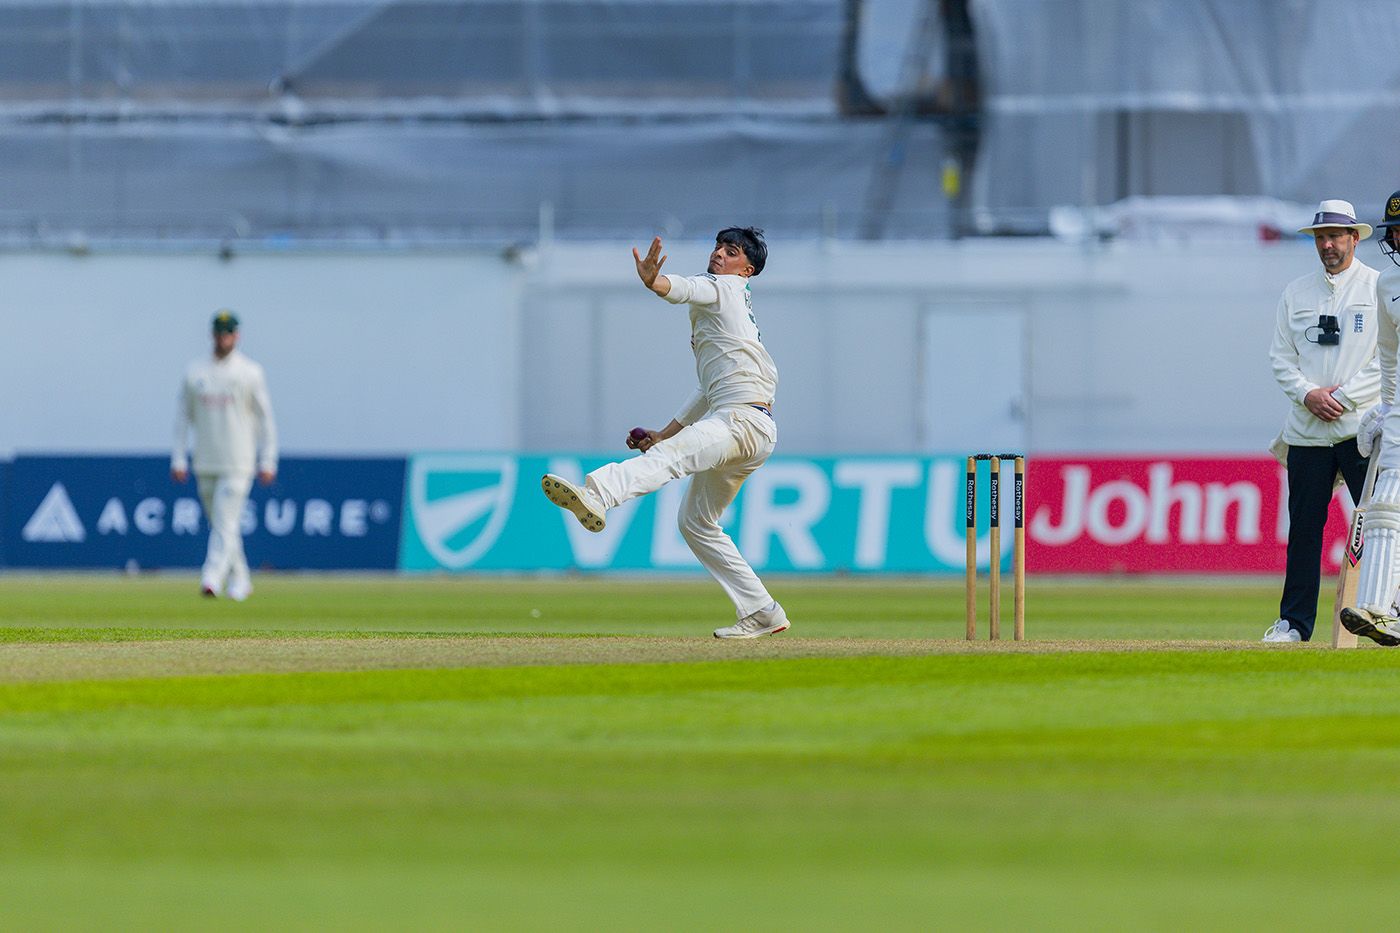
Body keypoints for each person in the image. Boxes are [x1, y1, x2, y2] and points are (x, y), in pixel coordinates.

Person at [540, 227, 787, 639]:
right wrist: (665, 432)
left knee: (668, 461)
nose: (718, 256)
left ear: (748, 270)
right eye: (717, 248)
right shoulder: (728, 314)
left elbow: (680, 288)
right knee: (696, 522)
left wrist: (655, 282)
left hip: (739, 422)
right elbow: (706, 391)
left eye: (730, 252)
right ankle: (762, 610)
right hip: (751, 427)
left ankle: (598, 494)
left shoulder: (723, 288)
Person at [1266, 200, 1380, 642]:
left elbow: (1385, 359)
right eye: (1320, 237)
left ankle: (1385, 613)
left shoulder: (1377, 286)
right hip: (1307, 431)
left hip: (1360, 431)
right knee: (1305, 530)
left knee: (1380, 527)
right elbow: (1280, 358)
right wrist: (1307, 394)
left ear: (1355, 238)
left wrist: (1344, 398)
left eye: (1336, 236)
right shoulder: (1296, 292)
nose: (1328, 245)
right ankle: (1293, 624)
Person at [172, 310, 278, 600]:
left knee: (225, 520)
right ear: (212, 335)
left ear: (237, 336)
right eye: (219, 333)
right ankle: (241, 580)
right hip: (205, 461)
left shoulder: (250, 373)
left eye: (229, 333)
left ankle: (211, 577)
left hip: (239, 461)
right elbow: (183, 418)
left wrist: (267, 460)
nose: (224, 338)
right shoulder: (195, 372)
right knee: (223, 525)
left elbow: (265, 419)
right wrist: (179, 458)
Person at [1341, 192, 1400, 646]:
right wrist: (1385, 406)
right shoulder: (1388, 283)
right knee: (1385, 504)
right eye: (1394, 231)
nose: (1396, 238)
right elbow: (1388, 353)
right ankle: (1381, 609)